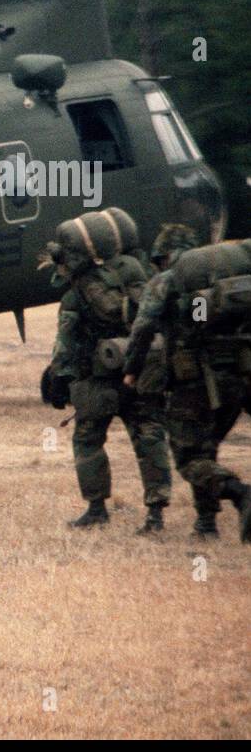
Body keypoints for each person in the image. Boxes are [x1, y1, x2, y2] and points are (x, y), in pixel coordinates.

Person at [122, 226, 251, 541]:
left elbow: (142, 329)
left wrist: (131, 370)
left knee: (190, 458)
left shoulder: (167, 281)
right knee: (207, 447)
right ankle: (206, 525)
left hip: (194, 382)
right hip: (239, 376)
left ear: (165, 255)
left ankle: (240, 494)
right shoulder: (227, 280)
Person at [40, 224, 172, 532]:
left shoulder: (78, 292)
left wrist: (58, 378)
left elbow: (66, 343)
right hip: (139, 371)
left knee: (87, 440)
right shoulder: (136, 275)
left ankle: (97, 509)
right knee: (149, 436)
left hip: (98, 379)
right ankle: (156, 514)